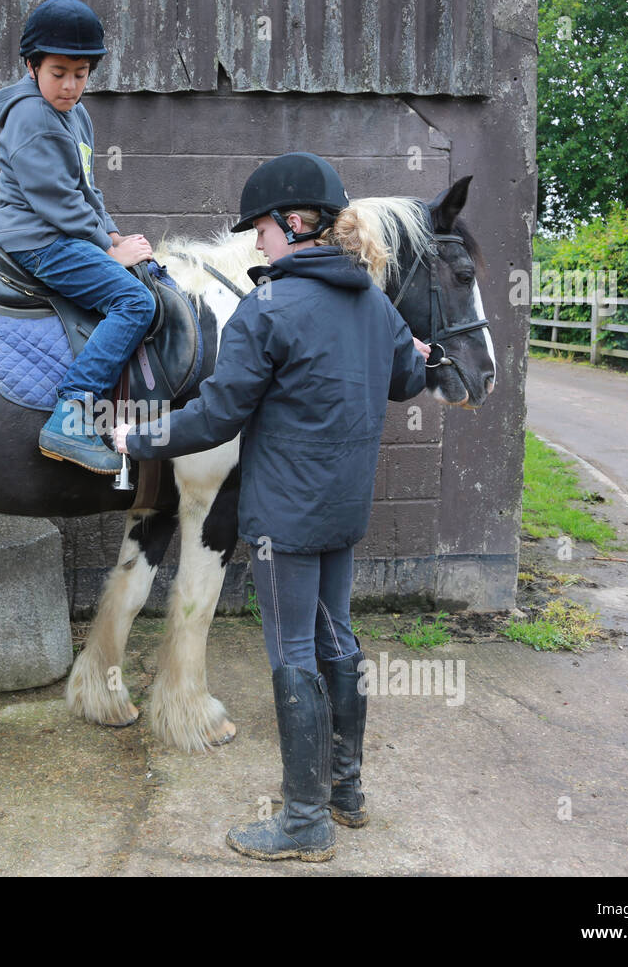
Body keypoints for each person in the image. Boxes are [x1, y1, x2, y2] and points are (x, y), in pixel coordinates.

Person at [113, 152, 431, 861]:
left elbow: (214, 419)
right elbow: (408, 378)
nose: (256, 241)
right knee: (337, 638)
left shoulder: (267, 308)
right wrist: (418, 348)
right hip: (344, 509)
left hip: (283, 518)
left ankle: (304, 821)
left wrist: (139, 435)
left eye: (261, 227)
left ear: (293, 222)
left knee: (293, 653)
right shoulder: (376, 304)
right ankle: (346, 792)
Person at [0, 0, 155, 475]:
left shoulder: (75, 114)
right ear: (31, 65)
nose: (69, 85)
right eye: (58, 72)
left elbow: (87, 188)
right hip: (39, 243)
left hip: (64, 234)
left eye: (80, 74)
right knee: (135, 303)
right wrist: (107, 248)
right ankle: (72, 413)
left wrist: (116, 235)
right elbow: (58, 202)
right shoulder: (31, 117)